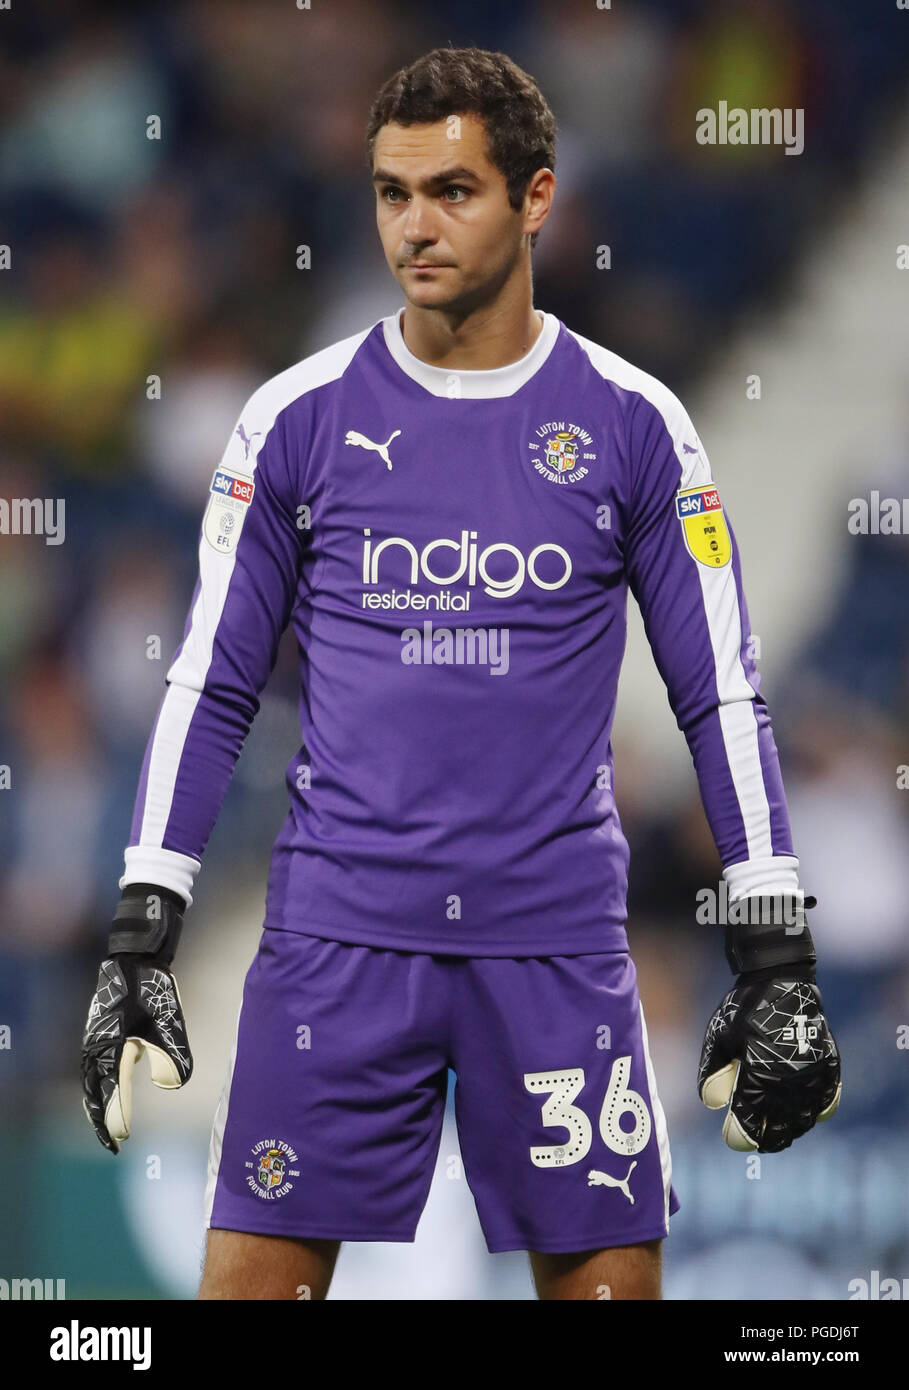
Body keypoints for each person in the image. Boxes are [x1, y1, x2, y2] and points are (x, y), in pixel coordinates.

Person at [81, 46, 840, 1301]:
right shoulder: (295, 417)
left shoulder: (637, 422)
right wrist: (142, 921)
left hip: (554, 948)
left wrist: (775, 949)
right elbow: (209, 683)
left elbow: (722, 691)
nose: (415, 226)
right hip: (335, 941)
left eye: (452, 191)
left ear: (536, 198)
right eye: (391, 194)